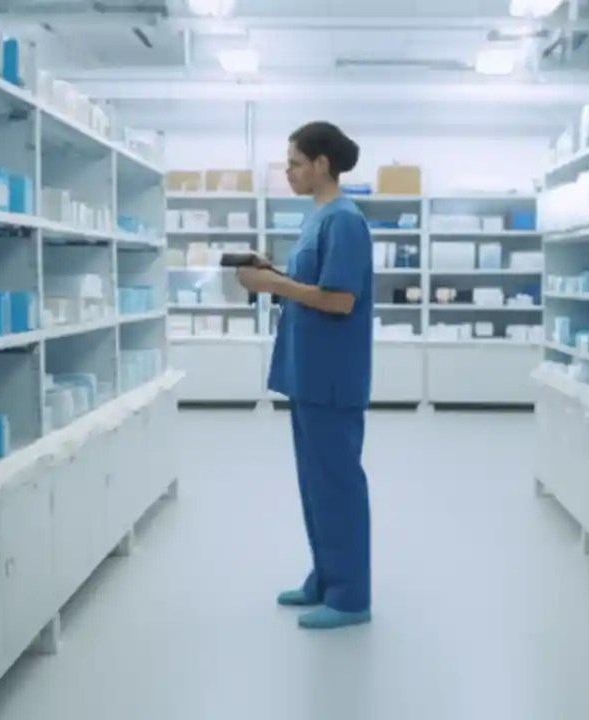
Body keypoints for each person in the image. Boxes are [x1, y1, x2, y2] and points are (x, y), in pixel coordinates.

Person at [234, 121, 374, 630]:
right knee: (314, 485)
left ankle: (351, 596)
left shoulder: (345, 222)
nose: (289, 171)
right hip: (307, 372)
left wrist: (272, 282)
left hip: (333, 376)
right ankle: (326, 576)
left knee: (337, 484)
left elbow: (340, 299)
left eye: (295, 162)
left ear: (321, 164)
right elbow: (312, 285)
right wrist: (276, 275)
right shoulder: (318, 219)